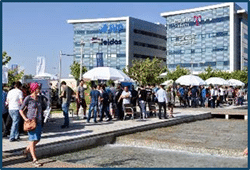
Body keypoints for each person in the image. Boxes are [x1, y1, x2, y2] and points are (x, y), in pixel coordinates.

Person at [19, 82, 44, 167]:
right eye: (38, 88)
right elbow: (21, 110)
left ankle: (26, 151)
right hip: (31, 122)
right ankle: (34, 160)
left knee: (38, 139)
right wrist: (25, 119)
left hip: (39, 121)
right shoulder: (28, 98)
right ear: (34, 89)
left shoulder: (40, 98)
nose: (39, 89)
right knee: (32, 141)